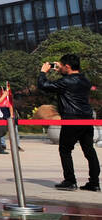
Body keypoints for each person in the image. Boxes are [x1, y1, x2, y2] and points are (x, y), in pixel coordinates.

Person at [40, 55, 100, 191]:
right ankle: (94, 183)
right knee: (89, 150)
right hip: (87, 119)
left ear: (67, 66)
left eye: (61, 66)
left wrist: (43, 72)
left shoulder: (66, 81)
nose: (58, 67)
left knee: (65, 150)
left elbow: (44, 85)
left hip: (72, 119)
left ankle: (70, 181)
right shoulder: (85, 80)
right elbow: (70, 81)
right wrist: (62, 71)